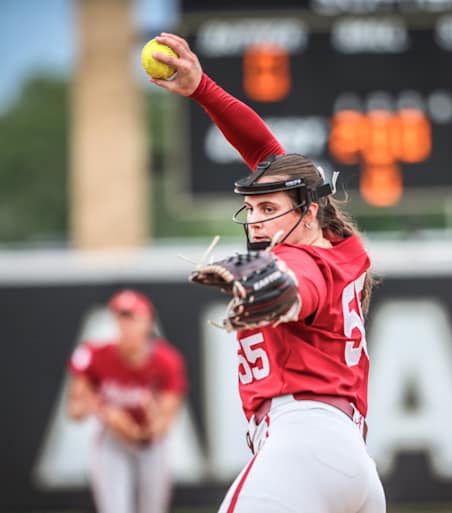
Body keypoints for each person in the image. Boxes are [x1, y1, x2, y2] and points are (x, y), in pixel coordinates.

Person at [151, 33, 386, 513]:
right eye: (251, 207)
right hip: (349, 462)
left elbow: (302, 288)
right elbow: (268, 157)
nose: (256, 219)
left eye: (268, 207)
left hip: (304, 444)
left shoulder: (300, 259)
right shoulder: (335, 245)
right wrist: (202, 89)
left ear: (311, 208)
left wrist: (279, 291)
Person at [66, 289, 188, 513]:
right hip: (112, 442)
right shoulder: (94, 354)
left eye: (132, 318)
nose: (126, 326)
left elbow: (163, 424)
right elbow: (74, 410)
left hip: (151, 444)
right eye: (121, 318)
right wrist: (105, 412)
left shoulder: (166, 360)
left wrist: (146, 422)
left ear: (148, 322)